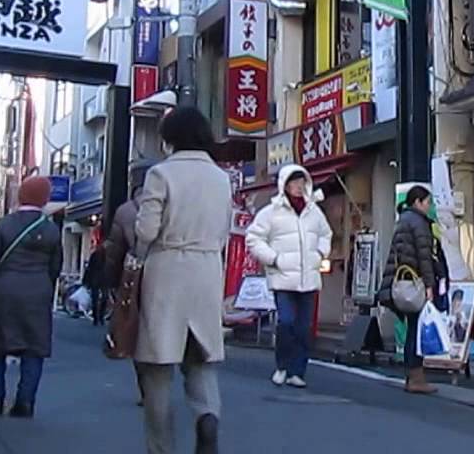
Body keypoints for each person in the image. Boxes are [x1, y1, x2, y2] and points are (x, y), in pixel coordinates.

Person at [133, 107, 231, 454]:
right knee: (201, 360)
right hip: (206, 269)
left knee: (157, 365)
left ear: (169, 137)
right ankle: (207, 417)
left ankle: (160, 448)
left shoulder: (161, 174)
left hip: (168, 268)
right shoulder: (222, 178)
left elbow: (146, 231)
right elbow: (224, 234)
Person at [0, 176, 63, 419]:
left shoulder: (4, 225)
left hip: (5, 290)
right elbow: (56, 266)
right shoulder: (51, 229)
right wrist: (46, 286)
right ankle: (25, 403)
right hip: (37, 290)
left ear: (20, 195)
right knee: (34, 348)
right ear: (44, 198)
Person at [245, 165, 333, 389]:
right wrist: (274, 259)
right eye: (293, 183)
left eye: (301, 182)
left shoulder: (314, 211)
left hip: (309, 278)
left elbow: (326, 234)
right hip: (283, 278)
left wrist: (320, 254)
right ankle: (282, 366)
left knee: (304, 327)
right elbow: (253, 238)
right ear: (284, 185)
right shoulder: (271, 212)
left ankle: (298, 371)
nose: (298, 187)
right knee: (286, 322)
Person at [377, 185, 448, 395]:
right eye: (427, 202)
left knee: (412, 330)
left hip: (402, 284)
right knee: (417, 331)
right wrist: (429, 285)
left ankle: (412, 375)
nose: (429, 206)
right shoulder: (418, 223)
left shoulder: (404, 220)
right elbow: (424, 257)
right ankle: (416, 376)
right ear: (418, 202)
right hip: (414, 285)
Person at [104, 175, 147, 404]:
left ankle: (147, 388)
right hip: (169, 273)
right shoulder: (171, 203)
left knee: (136, 330)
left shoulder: (125, 211)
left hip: (135, 276)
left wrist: (113, 282)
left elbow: (114, 251)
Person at [83, 247, 108, 325]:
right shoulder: (106, 256)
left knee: (96, 299)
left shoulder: (95, 255)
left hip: (96, 279)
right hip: (102, 278)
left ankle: (97, 318)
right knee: (103, 297)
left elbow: (89, 268)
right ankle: (100, 317)